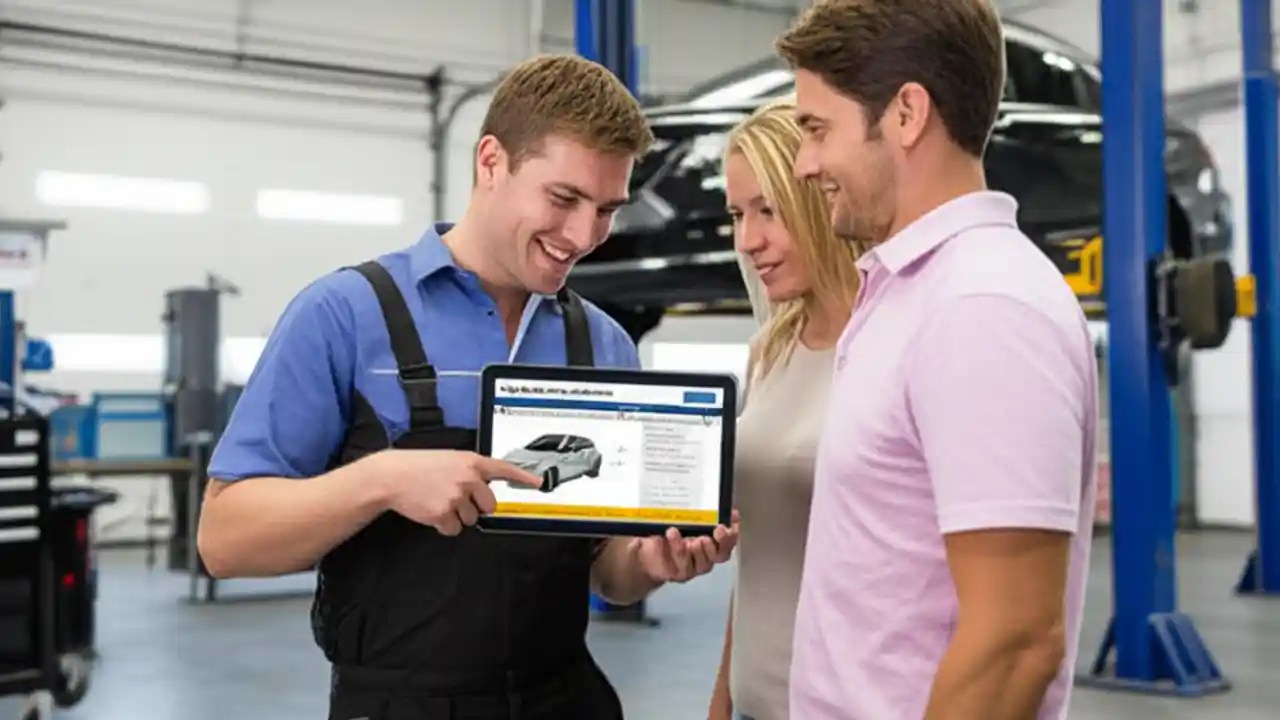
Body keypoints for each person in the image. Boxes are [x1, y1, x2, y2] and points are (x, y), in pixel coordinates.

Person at [195, 54, 738, 720]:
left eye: (606, 210)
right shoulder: (345, 316)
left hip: (564, 700)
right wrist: (384, 479)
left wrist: (652, 563)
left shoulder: (604, 345)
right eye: (563, 199)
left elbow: (605, 571)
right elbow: (223, 540)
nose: (583, 236)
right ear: (491, 163)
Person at [776, 2, 1100, 719]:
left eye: (817, 130)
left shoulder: (982, 308)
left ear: (906, 114)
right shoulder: (910, 293)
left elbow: (1016, 643)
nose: (804, 164)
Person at [705, 99, 861, 720]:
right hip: (753, 701)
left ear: (818, 198)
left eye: (767, 211)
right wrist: (722, 702)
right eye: (738, 215)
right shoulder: (770, 349)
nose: (748, 241)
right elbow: (759, 562)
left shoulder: (885, 346)